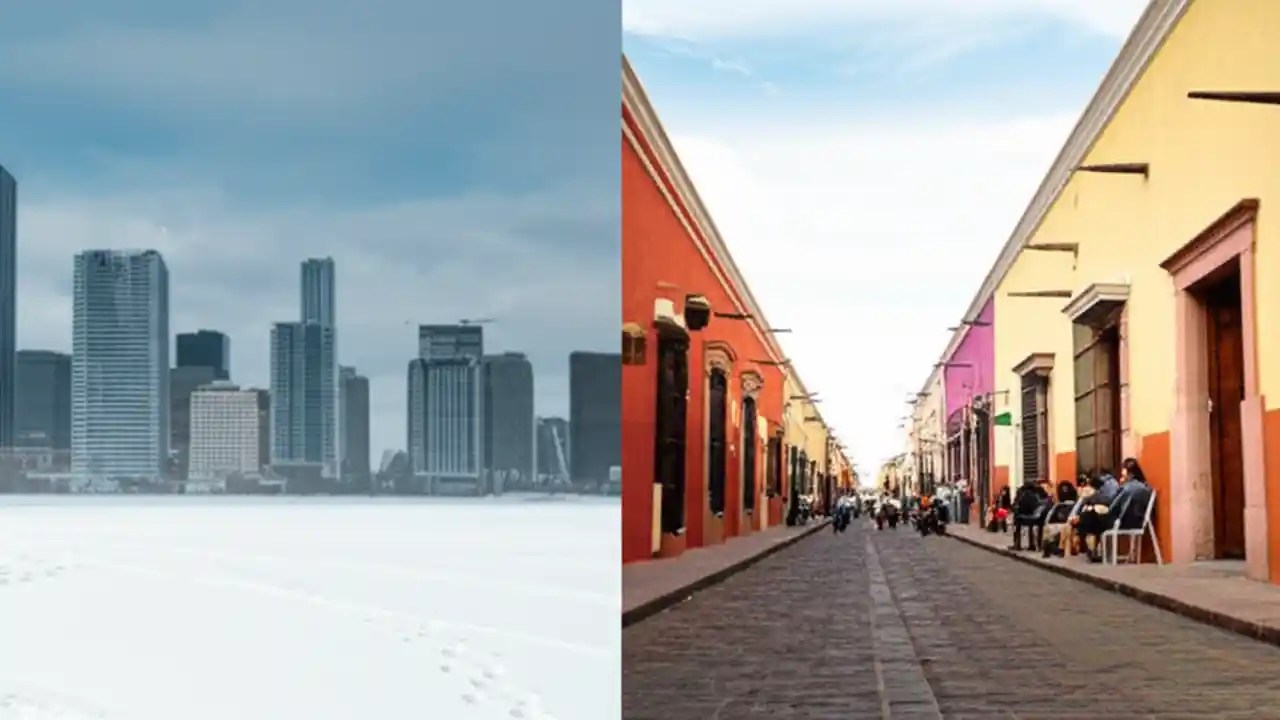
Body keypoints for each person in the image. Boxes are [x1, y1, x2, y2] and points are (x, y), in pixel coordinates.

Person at [1009, 480, 1050, 551]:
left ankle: (1017, 544)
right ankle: (1038, 545)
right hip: (1037, 516)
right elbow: (1046, 501)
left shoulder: (1021, 491)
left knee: (1017, 520)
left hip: (1022, 516)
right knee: (1037, 523)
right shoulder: (1039, 491)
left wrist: (1015, 510)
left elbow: (1015, 504)